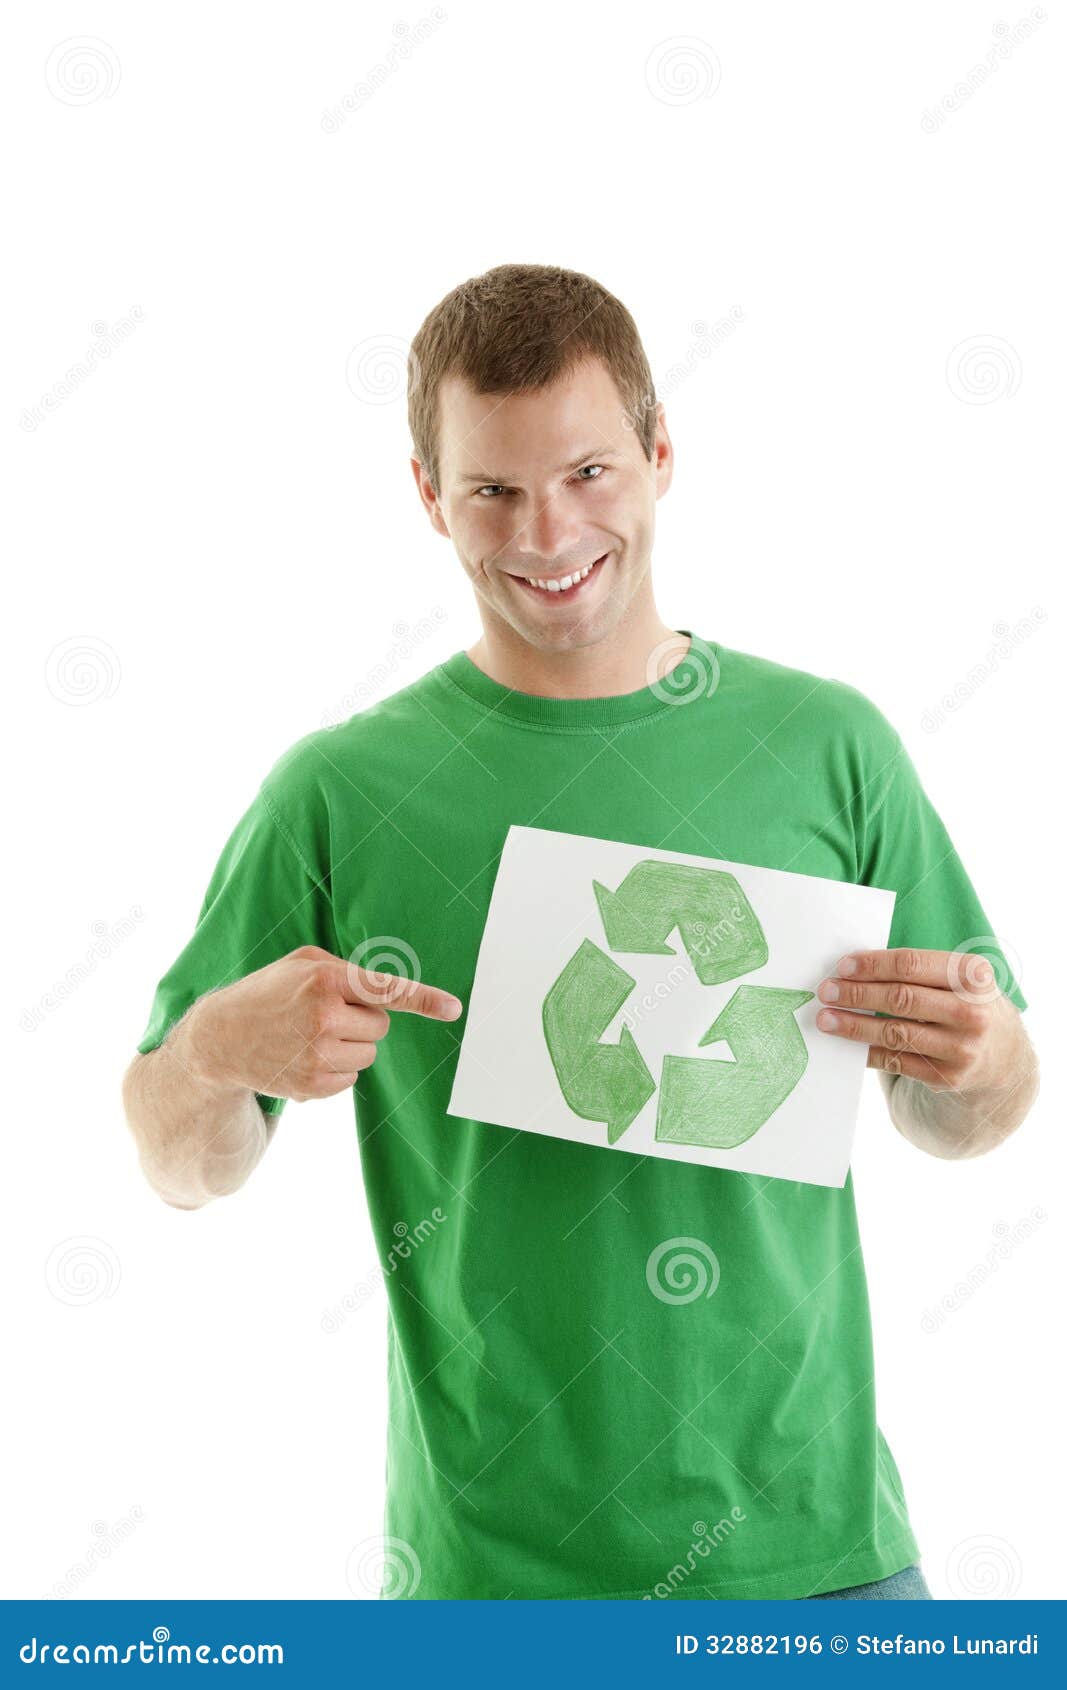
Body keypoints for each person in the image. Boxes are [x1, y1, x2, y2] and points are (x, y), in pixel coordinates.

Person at [123, 263, 1038, 1601]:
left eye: (591, 472)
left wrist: (987, 1056)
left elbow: (965, 1121)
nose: (548, 532)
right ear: (430, 499)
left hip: (820, 1559)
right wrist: (211, 1050)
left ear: (663, 456)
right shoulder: (340, 789)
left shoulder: (829, 745)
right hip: (487, 1587)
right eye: (492, 489)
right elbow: (177, 1160)